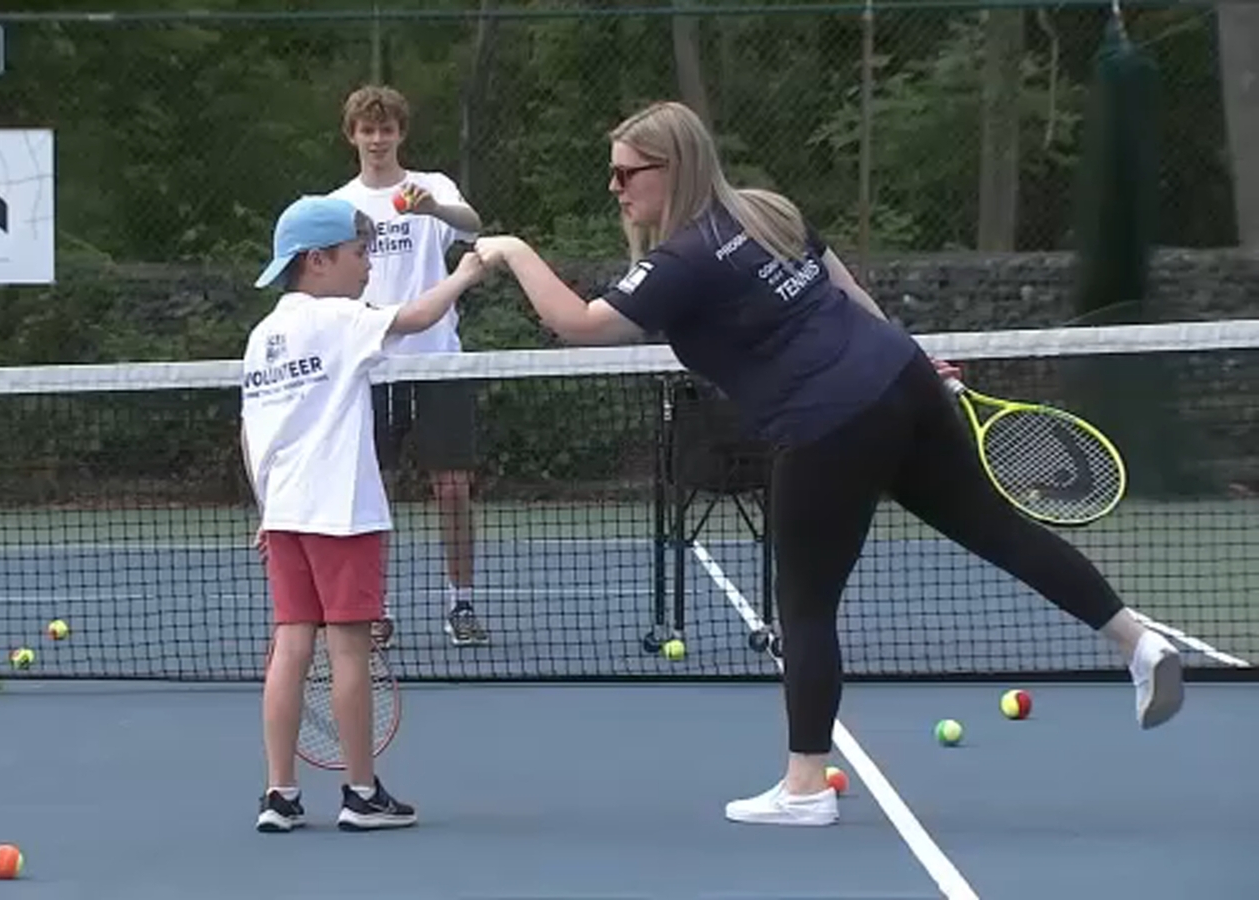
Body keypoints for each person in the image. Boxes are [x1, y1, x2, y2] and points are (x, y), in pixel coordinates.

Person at [473, 100, 1184, 828]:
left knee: (805, 607)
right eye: (612, 173)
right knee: (999, 531)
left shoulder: (679, 260)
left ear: (673, 169)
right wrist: (920, 367)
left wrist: (513, 251)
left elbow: (580, 326)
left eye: (627, 173)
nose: (616, 188)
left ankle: (806, 787)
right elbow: (853, 297)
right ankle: (1135, 640)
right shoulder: (766, 212)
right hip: (901, 377)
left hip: (827, 424)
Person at [242, 195, 489, 833]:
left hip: (287, 513)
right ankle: (358, 793)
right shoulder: (338, 318)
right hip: (341, 513)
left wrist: (266, 509)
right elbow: (414, 318)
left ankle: (280, 795)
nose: (368, 266)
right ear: (318, 261)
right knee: (349, 647)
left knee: (291, 644)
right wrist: (463, 275)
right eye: (359, 253)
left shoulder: (263, 335)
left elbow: (251, 436)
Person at [328, 84, 489, 648]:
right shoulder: (339, 206)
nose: (378, 139)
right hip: (369, 369)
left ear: (401, 133)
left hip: (439, 363)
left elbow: (471, 225)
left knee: (452, 490)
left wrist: (433, 208)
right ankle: (376, 610)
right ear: (353, 136)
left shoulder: (433, 187)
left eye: (387, 129)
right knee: (374, 492)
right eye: (368, 130)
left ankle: (461, 603)